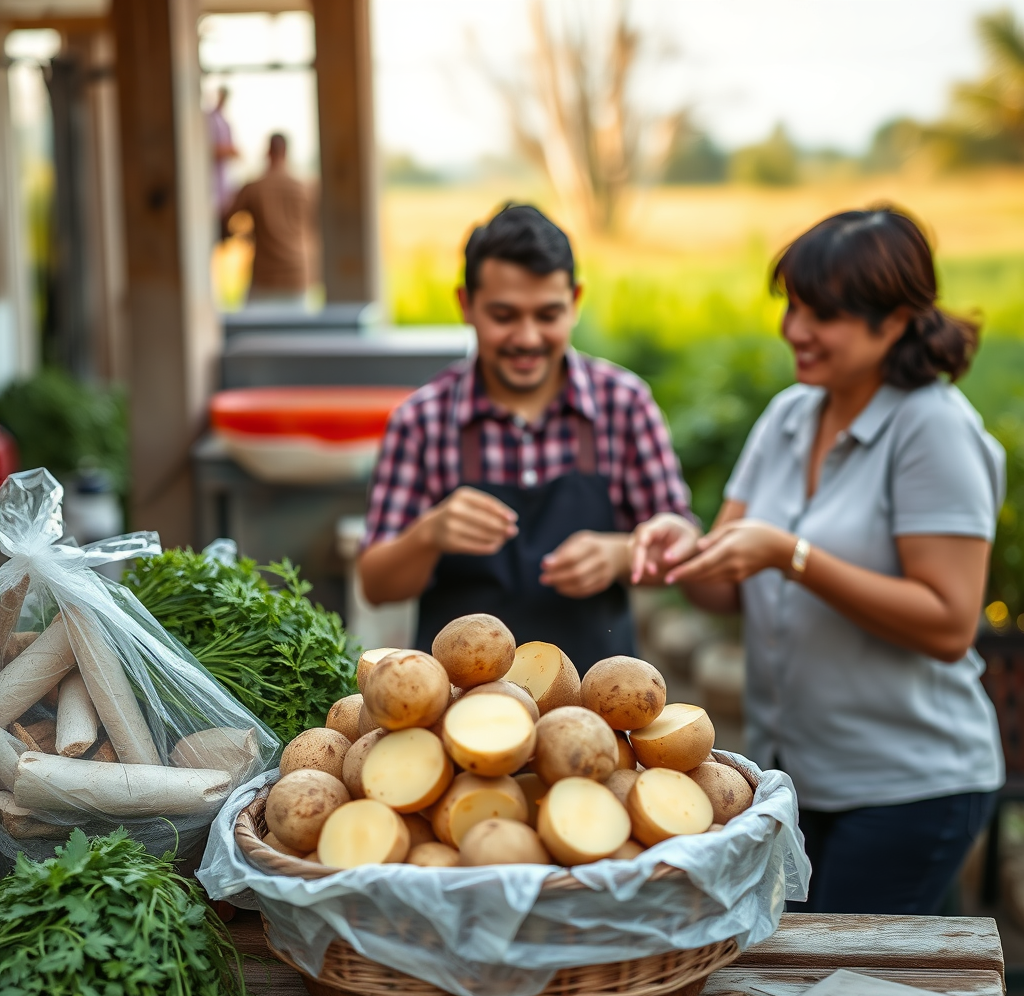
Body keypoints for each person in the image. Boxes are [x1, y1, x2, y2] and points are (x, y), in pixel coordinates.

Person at [631, 207, 1004, 915]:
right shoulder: (789, 416)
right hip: (795, 782)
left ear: (893, 321)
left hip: (909, 788)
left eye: (820, 314)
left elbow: (950, 621)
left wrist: (794, 556)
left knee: (851, 993)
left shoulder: (933, 429)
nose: (794, 329)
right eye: (792, 306)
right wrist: (679, 548)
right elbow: (725, 589)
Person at [358, 203, 694, 674]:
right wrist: (428, 535)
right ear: (466, 305)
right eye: (504, 315)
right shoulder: (423, 419)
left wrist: (621, 555)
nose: (528, 337)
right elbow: (376, 583)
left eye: (547, 314)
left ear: (575, 301)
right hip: (460, 707)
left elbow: (683, 549)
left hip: (599, 710)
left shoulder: (624, 403)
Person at [226, 133, 315, 307]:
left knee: (253, 330)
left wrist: (244, 235)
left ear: (268, 153)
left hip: (265, 276)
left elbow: (225, 222)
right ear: (286, 153)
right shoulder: (304, 189)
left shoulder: (253, 188)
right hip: (298, 274)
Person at [207, 86, 239, 240]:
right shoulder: (209, 119)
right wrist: (227, 151)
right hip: (212, 184)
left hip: (223, 182)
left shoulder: (224, 120)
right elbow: (207, 150)